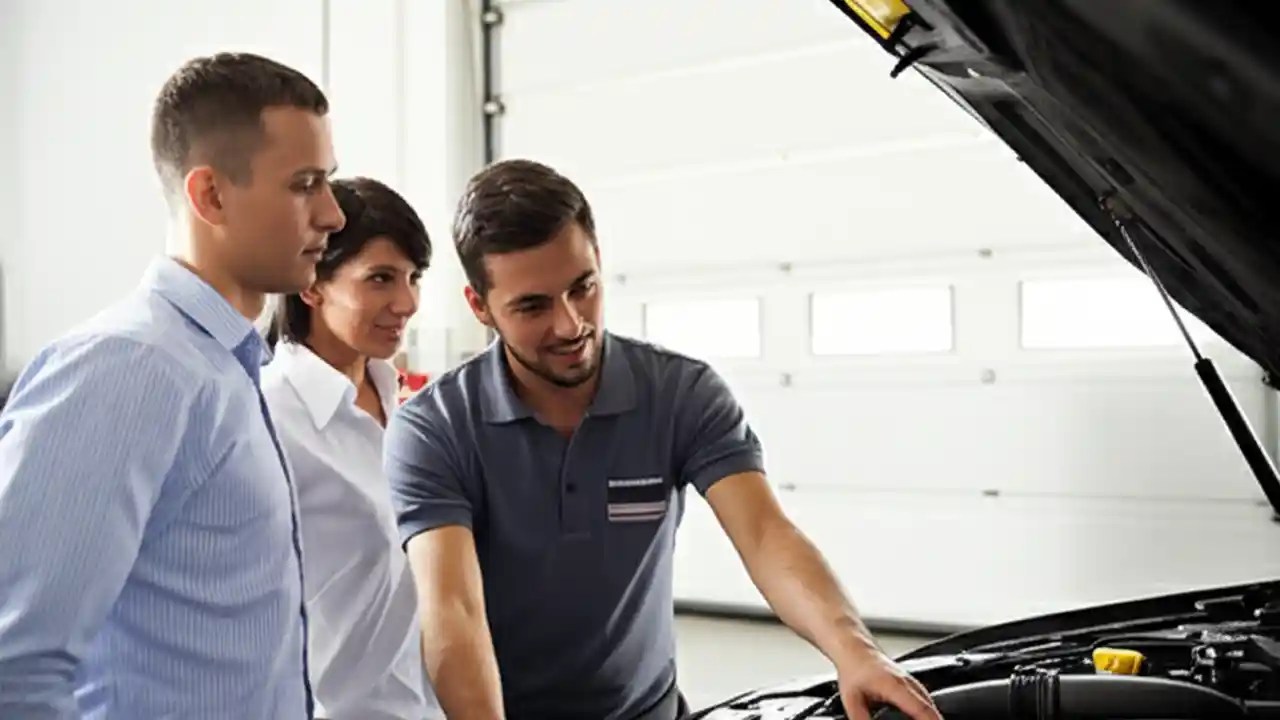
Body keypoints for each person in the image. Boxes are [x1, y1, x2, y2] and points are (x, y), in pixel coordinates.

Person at [384, 159, 943, 720]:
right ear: (480, 306)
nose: (570, 324)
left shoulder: (681, 394)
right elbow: (452, 611)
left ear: (599, 262)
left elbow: (765, 534)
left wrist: (856, 651)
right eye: (533, 306)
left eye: (583, 288)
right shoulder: (435, 430)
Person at [0, 52, 344, 718]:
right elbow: (14, 666)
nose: (332, 214)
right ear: (210, 194)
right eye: (305, 184)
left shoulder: (229, 368)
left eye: (328, 181)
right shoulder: (129, 370)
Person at [261, 176, 442, 720]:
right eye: (380, 279)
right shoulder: (267, 419)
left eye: (413, 277)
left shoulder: (418, 411)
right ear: (311, 284)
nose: (406, 302)